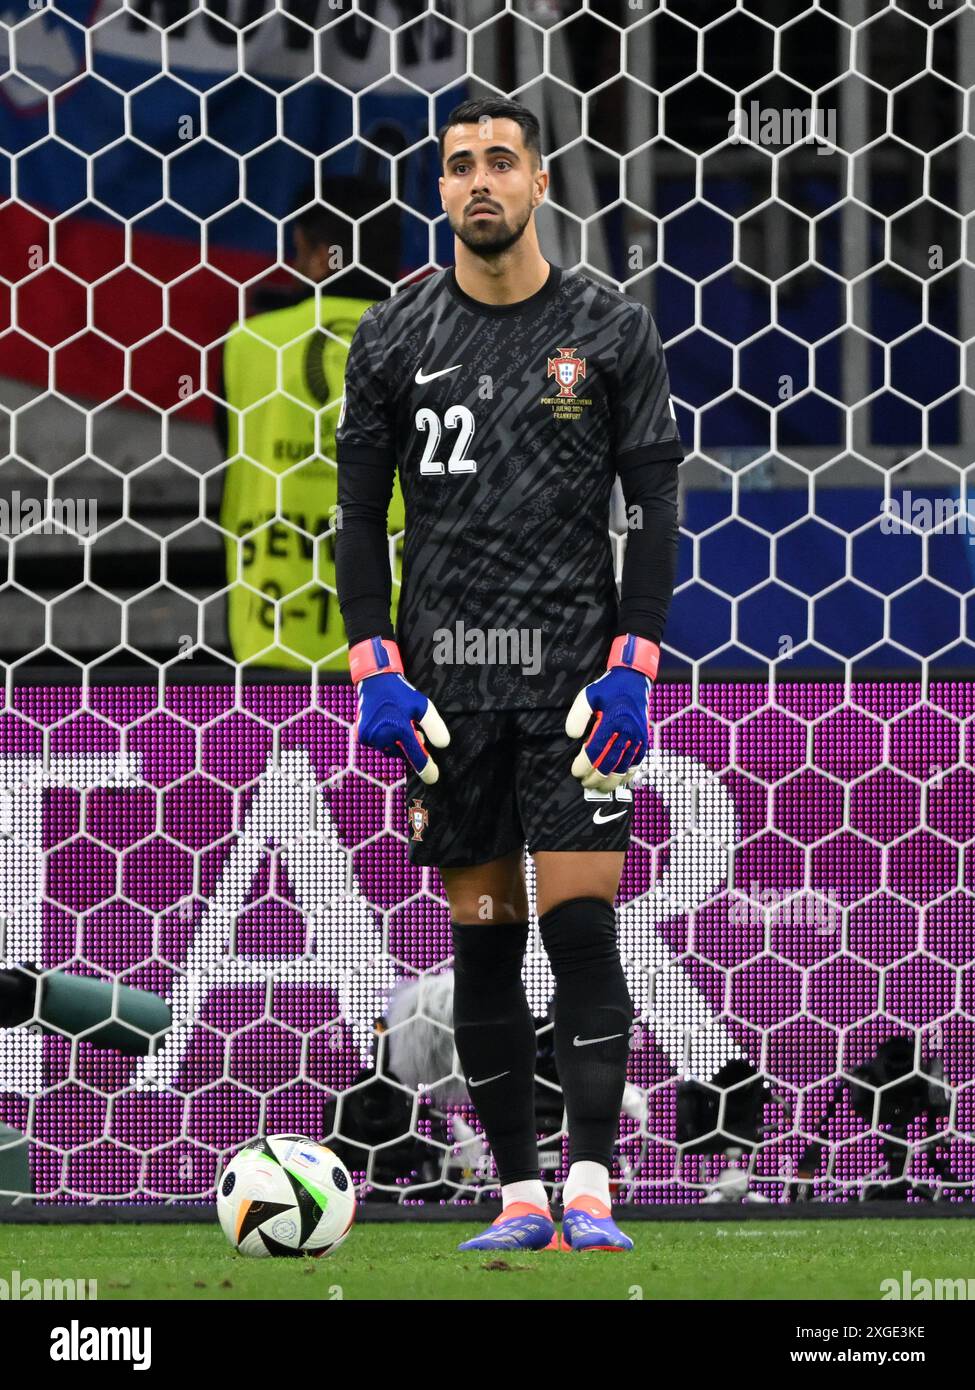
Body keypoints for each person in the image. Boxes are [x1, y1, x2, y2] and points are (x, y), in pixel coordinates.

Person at [334, 98, 683, 1252]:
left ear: (539, 182)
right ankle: (519, 1196)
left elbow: (656, 502)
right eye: (456, 166)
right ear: (440, 192)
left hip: (575, 688)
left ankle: (590, 1184)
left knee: (581, 927)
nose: (477, 181)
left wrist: (635, 659)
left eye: (499, 161)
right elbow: (355, 515)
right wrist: (374, 664)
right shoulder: (389, 337)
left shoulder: (612, 329)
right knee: (482, 937)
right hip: (445, 696)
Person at [216, 184, 405, 670]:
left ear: (321, 255)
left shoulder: (250, 343)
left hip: (270, 629)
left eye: (299, 251)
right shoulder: (429, 346)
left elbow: (230, 449)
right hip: (397, 639)